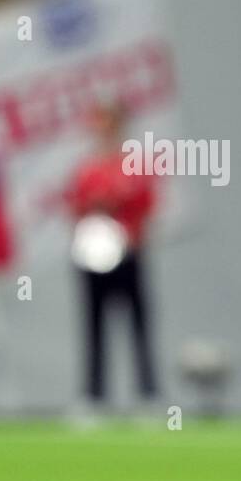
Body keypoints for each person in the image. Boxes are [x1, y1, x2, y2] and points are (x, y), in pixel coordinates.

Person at [65, 103, 159, 412]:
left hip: (128, 252)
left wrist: (118, 206)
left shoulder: (133, 166)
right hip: (92, 256)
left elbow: (146, 203)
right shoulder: (86, 170)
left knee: (138, 324)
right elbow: (74, 206)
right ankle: (94, 397)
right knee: (94, 326)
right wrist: (93, 208)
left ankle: (148, 395)